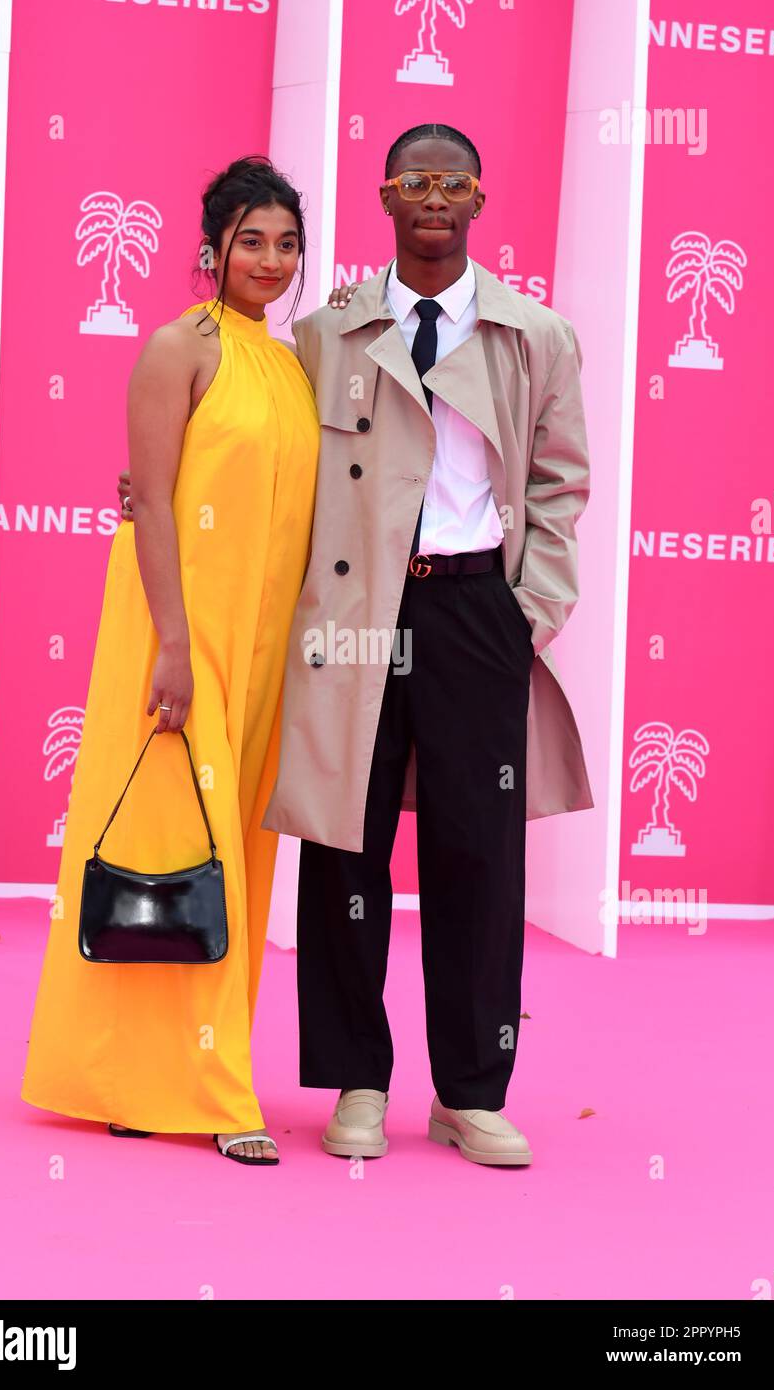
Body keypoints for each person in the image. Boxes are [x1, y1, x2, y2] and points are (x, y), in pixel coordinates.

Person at [259, 123, 593, 1165]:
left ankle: (469, 1090)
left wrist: (523, 611)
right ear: (385, 196)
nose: (434, 197)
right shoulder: (329, 333)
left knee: (477, 859)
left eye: (453, 182)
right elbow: (276, 468)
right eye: (416, 181)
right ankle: (357, 1078)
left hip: (470, 613)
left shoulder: (532, 332)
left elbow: (558, 481)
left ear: (480, 198)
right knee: (343, 847)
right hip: (356, 620)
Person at [21, 156, 320, 1165]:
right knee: (174, 847)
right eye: (251, 240)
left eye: (285, 242)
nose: (269, 260)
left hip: (264, 641)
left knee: (224, 853)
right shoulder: (175, 348)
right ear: (213, 247)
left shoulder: (287, 364)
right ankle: (215, 1093)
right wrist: (176, 647)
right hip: (180, 633)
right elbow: (150, 500)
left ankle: (143, 1078)